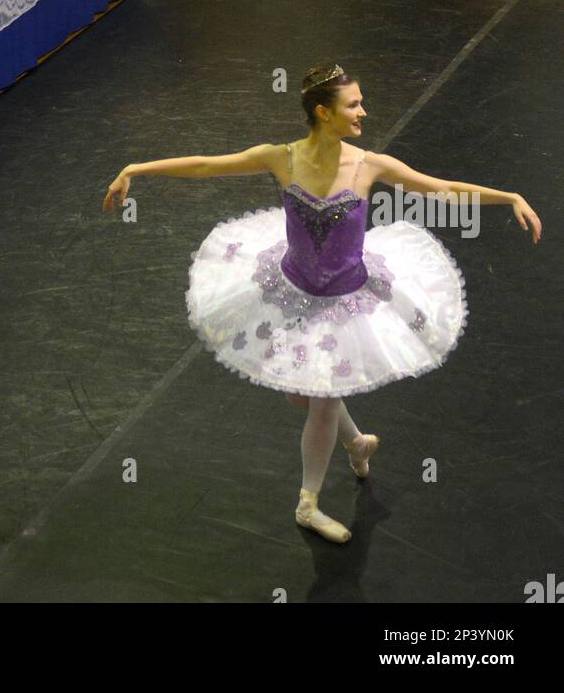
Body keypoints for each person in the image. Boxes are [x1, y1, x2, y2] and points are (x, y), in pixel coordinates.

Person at [104, 63, 542, 544]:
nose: (363, 111)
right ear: (322, 112)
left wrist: (509, 196)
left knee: (320, 395)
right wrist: (135, 169)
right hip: (290, 289)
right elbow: (209, 164)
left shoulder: (368, 165)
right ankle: (356, 443)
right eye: (353, 104)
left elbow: (438, 188)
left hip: (346, 298)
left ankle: (307, 503)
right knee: (305, 393)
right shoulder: (282, 158)